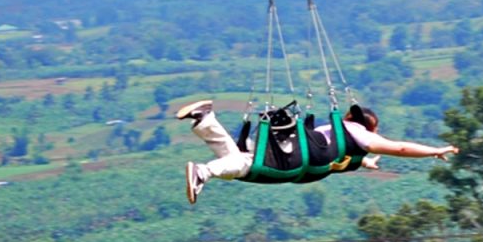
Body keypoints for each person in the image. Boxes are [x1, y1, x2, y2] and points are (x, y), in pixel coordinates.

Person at [175, 100, 458, 204]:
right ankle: (204, 171)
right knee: (247, 166)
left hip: (284, 146)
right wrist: (434, 151)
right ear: (368, 128)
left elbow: (344, 160)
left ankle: (205, 119)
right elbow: (400, 147)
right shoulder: (358, 133)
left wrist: (366, 162)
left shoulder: (332, 131)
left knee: (241, 162)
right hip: (289, 155)